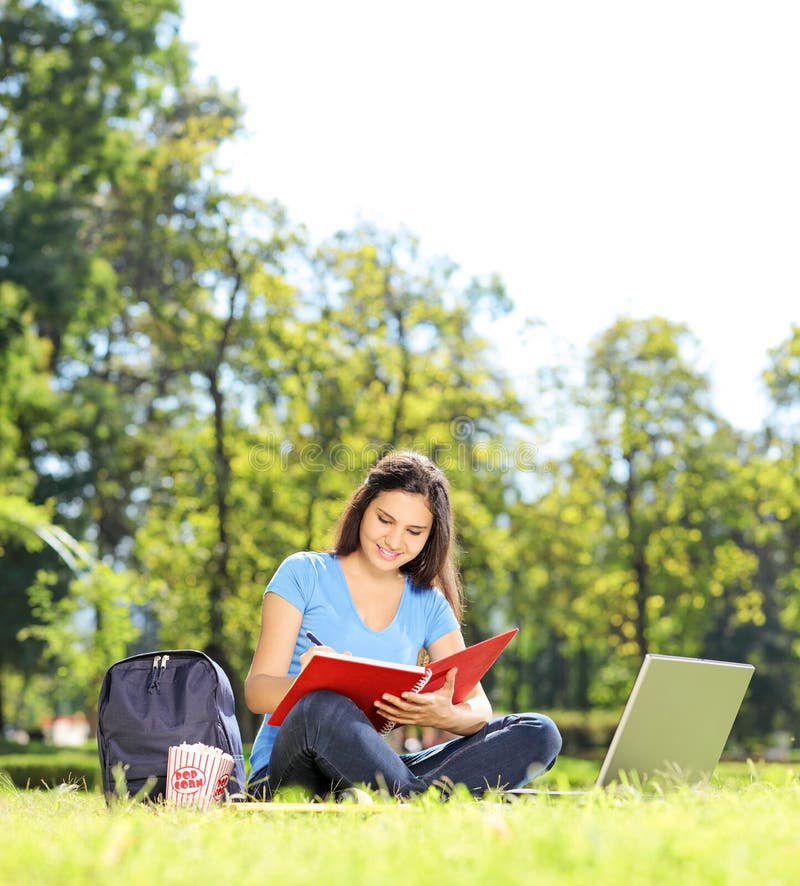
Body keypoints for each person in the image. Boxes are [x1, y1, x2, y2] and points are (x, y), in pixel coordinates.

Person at [244, 450, 561, 800]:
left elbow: (479, 709)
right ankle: (421, 800)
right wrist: (309, 684)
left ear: (431, 535)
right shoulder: (303, 573)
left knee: (538, 731)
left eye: (414, 531)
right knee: (321, 705)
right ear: (363, 508)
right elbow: (257, 692)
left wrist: (445, 715)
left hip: (369, 772)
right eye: (384, 520)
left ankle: (395, 799)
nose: (394, 542)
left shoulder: (428, 602)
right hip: (289, 769)